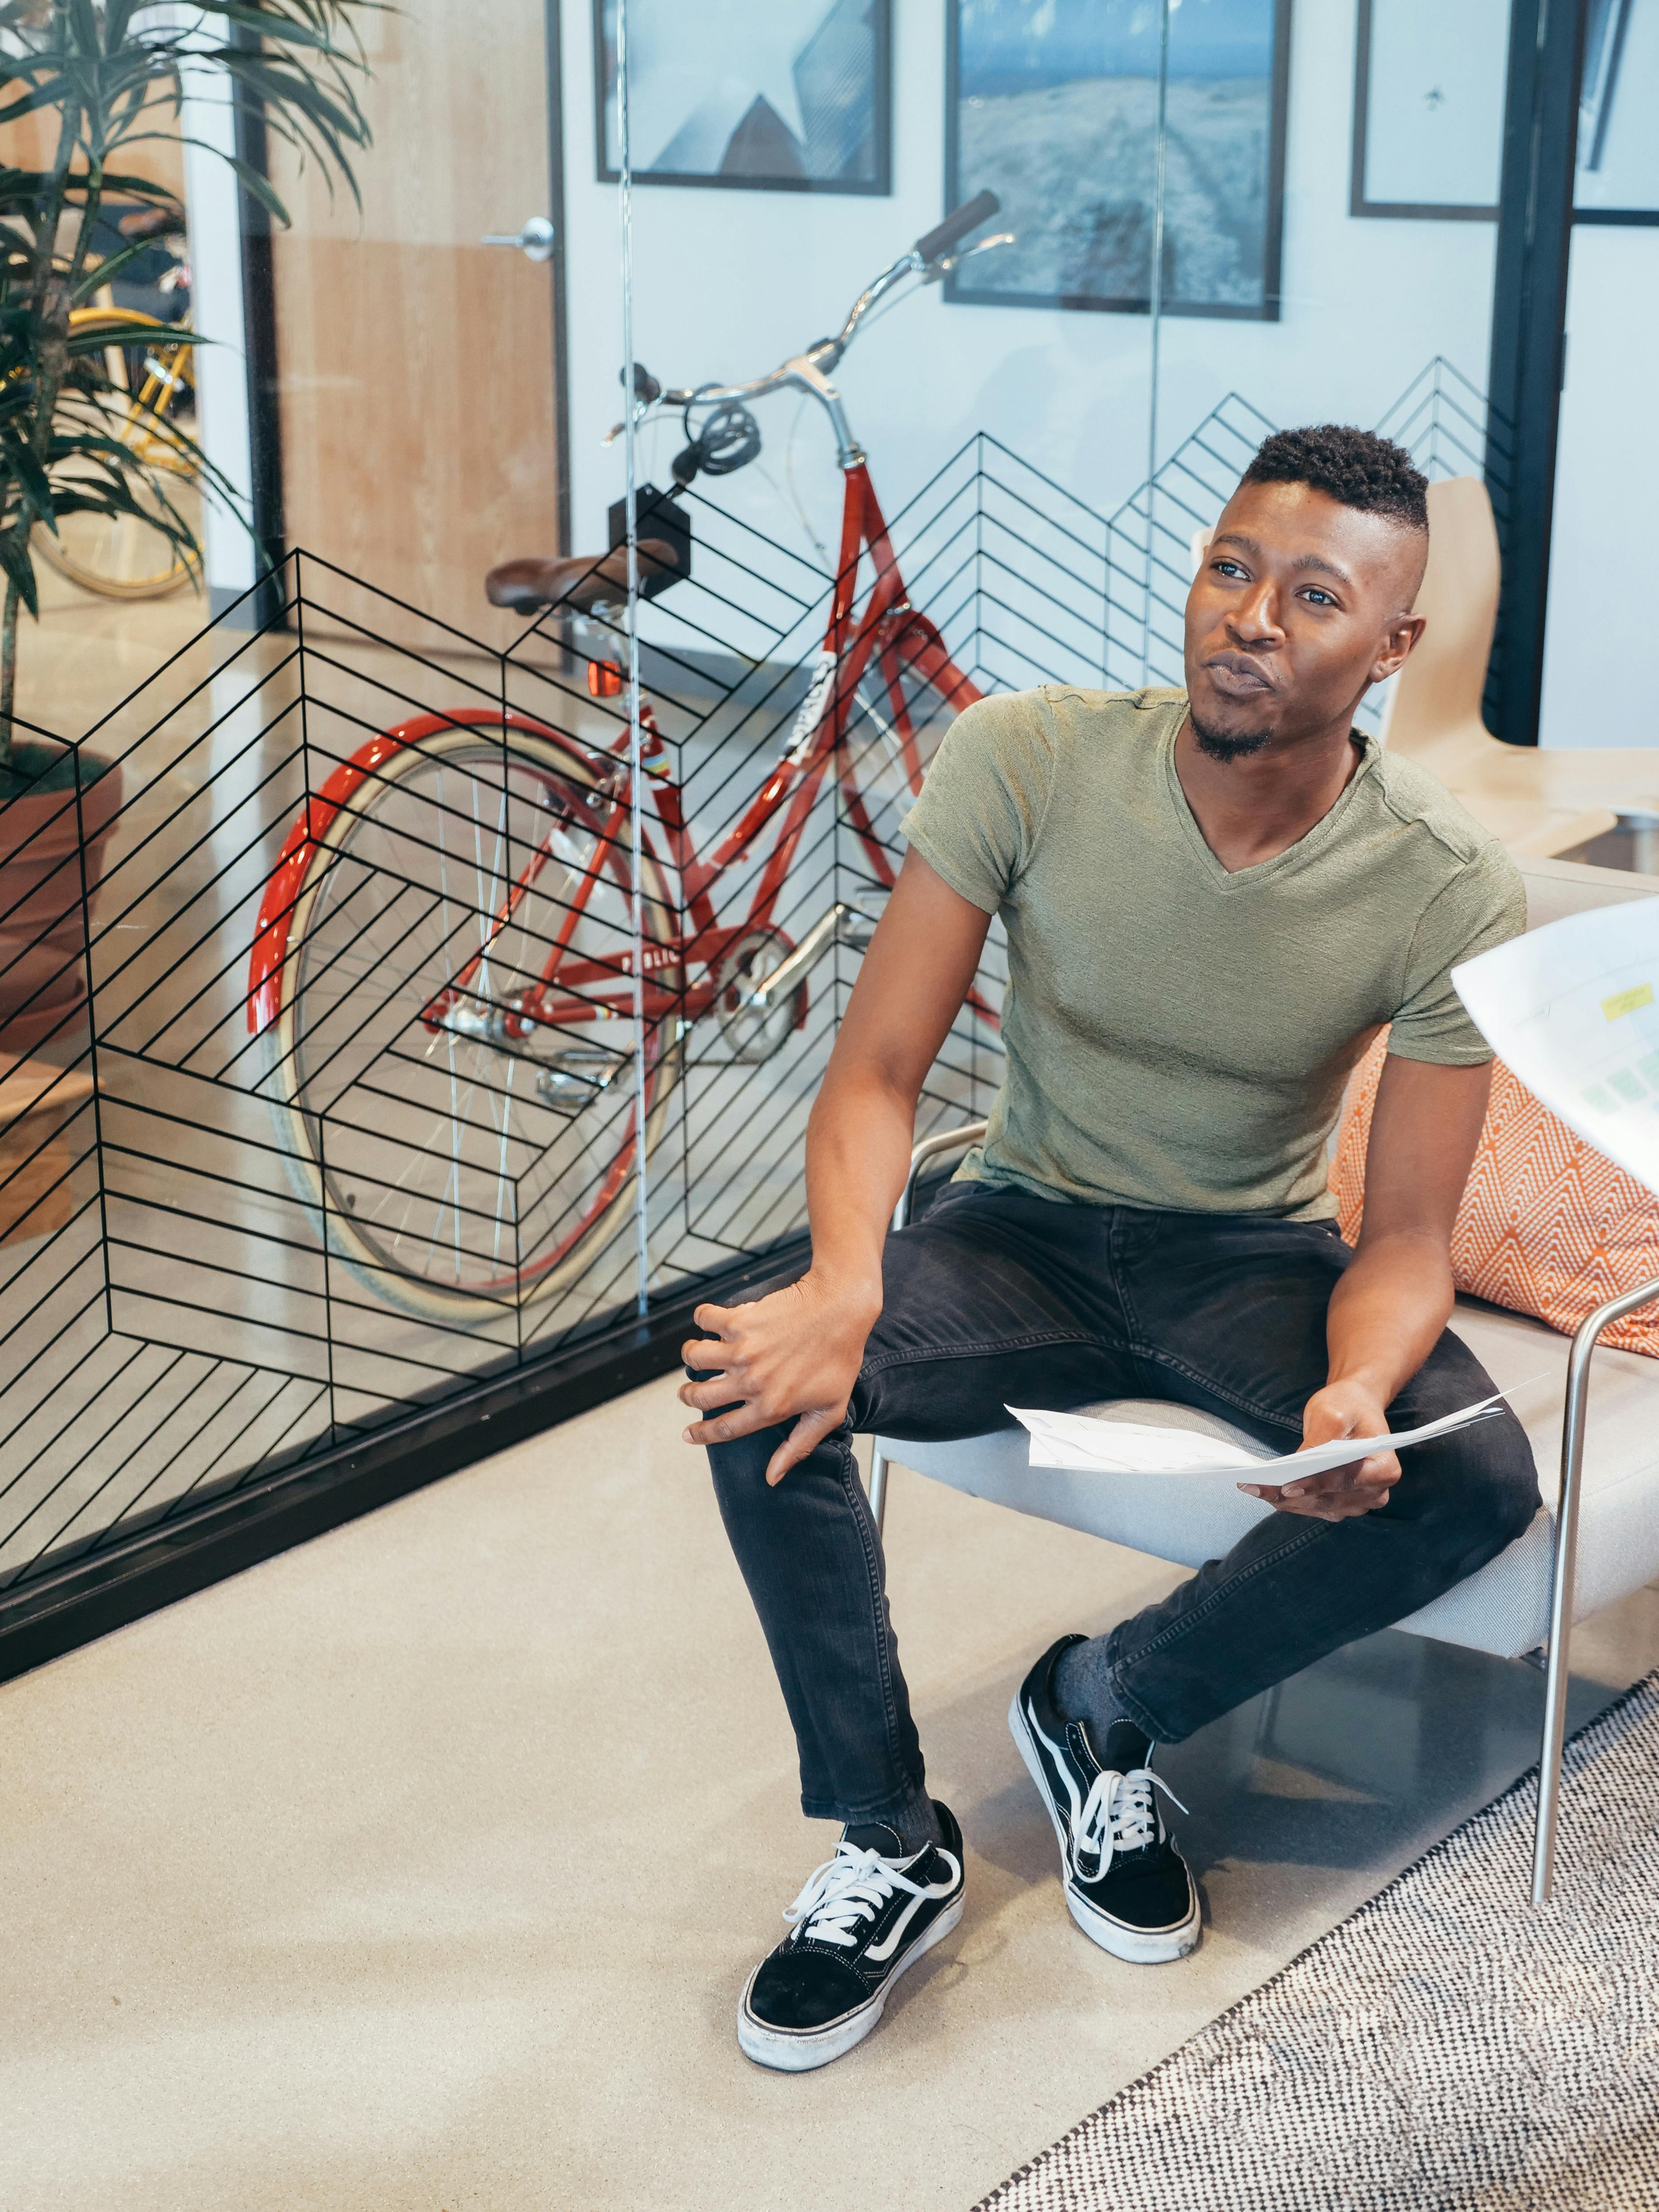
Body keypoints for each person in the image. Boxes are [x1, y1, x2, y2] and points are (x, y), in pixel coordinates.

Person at [681, 425, 1540, 2075]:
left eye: (1312, 595)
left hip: (1253, 1253)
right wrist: (846, 1287)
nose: (1251, 619)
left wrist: (1360, 1386)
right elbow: (874, 1075)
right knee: (753, 1378)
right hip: (1022, 1223)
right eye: (1230, 568)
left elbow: (1412, 1232)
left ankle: (1103, 1708)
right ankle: (888, 1836)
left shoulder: (1444, 887)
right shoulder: (1027, 759)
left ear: (1395, 645)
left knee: (1472, 1475)